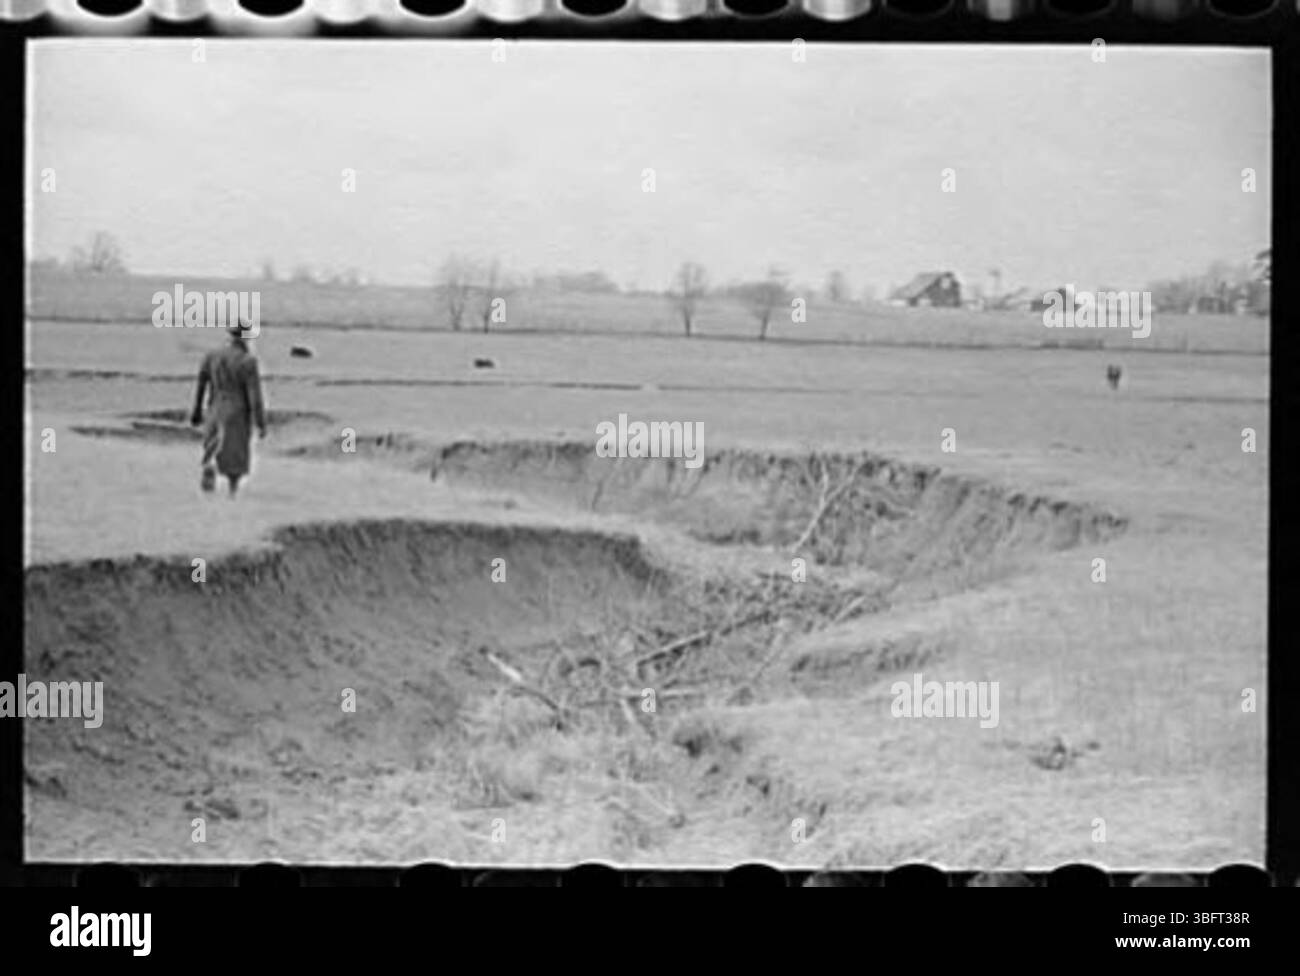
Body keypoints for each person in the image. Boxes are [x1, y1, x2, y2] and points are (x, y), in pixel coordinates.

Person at [190, 321, 267, 496]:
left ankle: (210, 468)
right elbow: (255, 396)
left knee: (212, 445)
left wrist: (196, 411)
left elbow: (201, 385)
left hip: (214, 408)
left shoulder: (212, 356)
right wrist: (260, 422)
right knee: (236, 455)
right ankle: (232, 492)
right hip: (237, 411)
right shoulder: (248, 361)